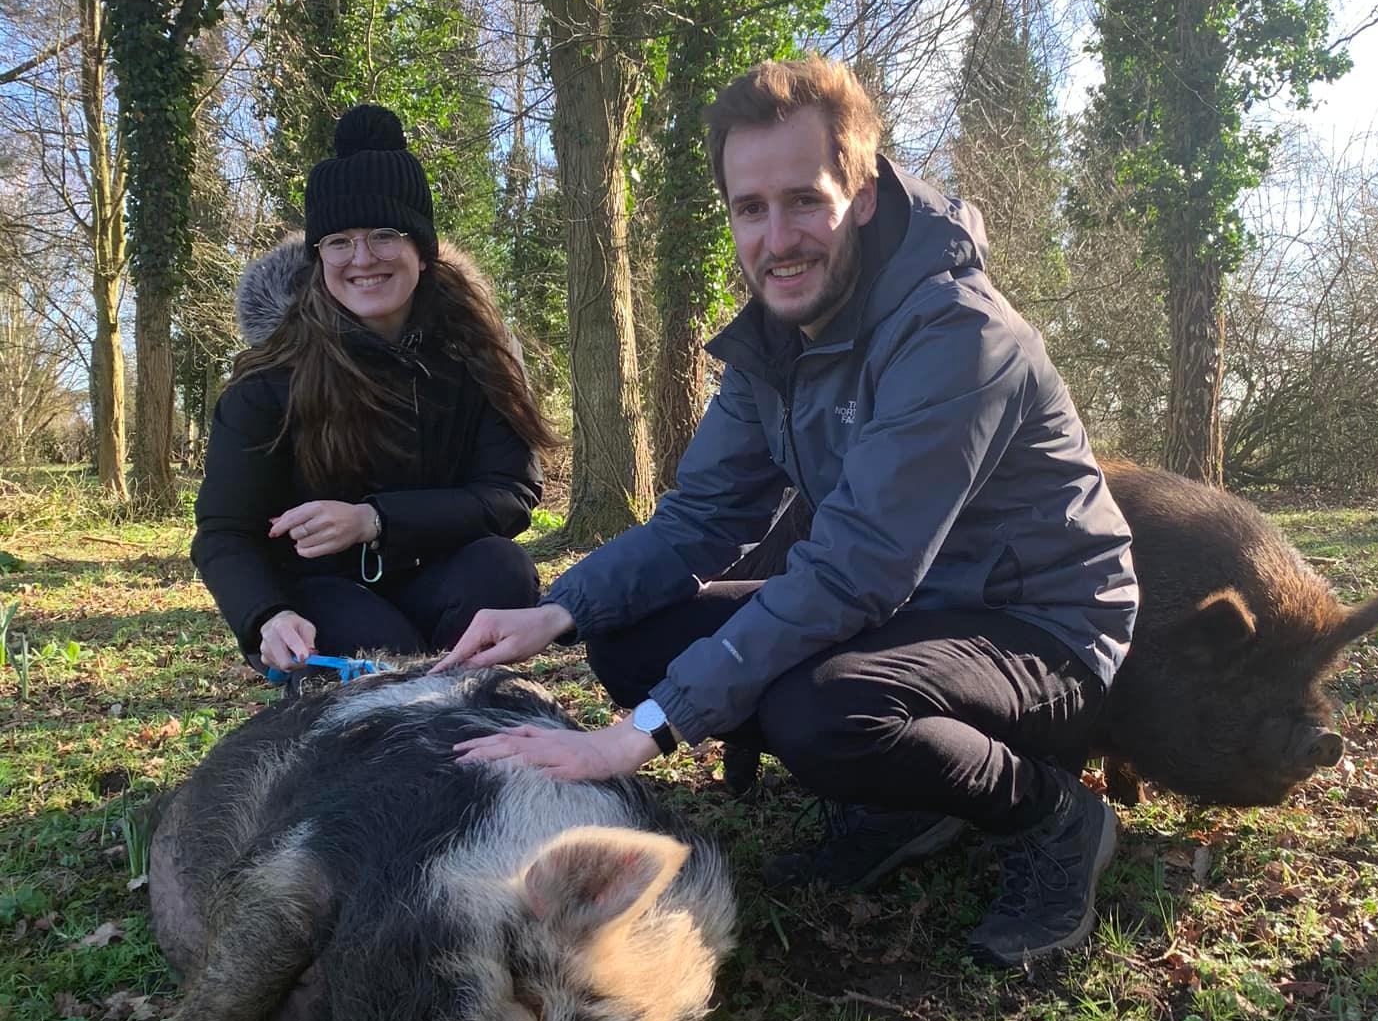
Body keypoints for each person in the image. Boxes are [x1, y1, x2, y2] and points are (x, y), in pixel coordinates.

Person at [439, 58, 1138, 968]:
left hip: (1041, 631)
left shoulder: (959, 333)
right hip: (910, 621)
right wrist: (559, 609)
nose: (778, 238)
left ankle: (1057, 820)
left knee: (824, 713)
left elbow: (858, 569)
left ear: (866, 192)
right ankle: (906, 802)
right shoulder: (772, 342)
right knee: (630, 639)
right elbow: (698, 522)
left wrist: (644, 733)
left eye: (805, 200)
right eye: (750, 208)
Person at [193, 104, 555, 673]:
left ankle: (469, 718)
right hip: (319, 594)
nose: (362, 259)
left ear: (422, 248)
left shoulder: (478, 356)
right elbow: (224, 532)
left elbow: (510, 492)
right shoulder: (268, 379)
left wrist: (375, 520)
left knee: (502, 568)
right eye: (339, 241)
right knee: (378, 643)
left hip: (447, 575)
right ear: (319, 257)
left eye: (384, 234)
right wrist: (266, 615)